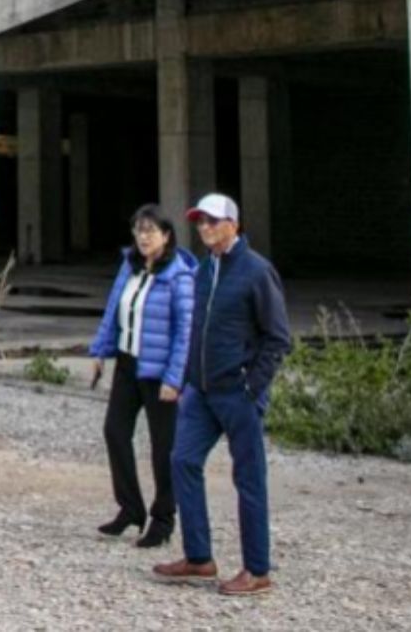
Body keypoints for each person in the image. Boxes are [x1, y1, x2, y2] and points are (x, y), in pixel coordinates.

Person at [153, 193, 292, 597]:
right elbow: (194, 328)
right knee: (182, 460)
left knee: (248, 478)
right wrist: (186, 379)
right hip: (202, 390)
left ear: (234, 224)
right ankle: (199, 557)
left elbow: (278, 337)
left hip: (238, 393)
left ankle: (257, 569)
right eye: (200, 222)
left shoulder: (255, 271)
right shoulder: (203, 270)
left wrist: (252, 386)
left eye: (213, 221)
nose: (205, 229)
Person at [86, 204, 196, 549]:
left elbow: (185, 332)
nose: (144, 236)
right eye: (139, 229)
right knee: (115, 432)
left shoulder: (179, 275)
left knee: (164, 448)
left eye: (151, 230)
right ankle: (130, 508)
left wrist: (175, 379)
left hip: (159, 371)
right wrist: (101, 351)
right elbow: (114, 310)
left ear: (166, 235)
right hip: (128, 363)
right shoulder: (130, 266)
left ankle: (163, 519)